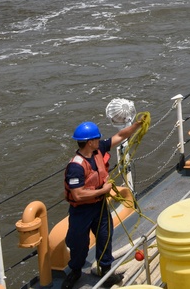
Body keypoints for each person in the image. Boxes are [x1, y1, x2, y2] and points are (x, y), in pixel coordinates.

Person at [62, 118, 144, 289]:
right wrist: (103, 191)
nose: (100, 140)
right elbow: (77, 194)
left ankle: (106, 271)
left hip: (99, 206)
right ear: (90, 142)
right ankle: (75, 271)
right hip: (81, 211)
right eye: (97, 138)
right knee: (78, 243)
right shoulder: (76, 167)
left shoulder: (98, 150)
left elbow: (120, 136)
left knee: (105, 238)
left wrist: (137, 124)